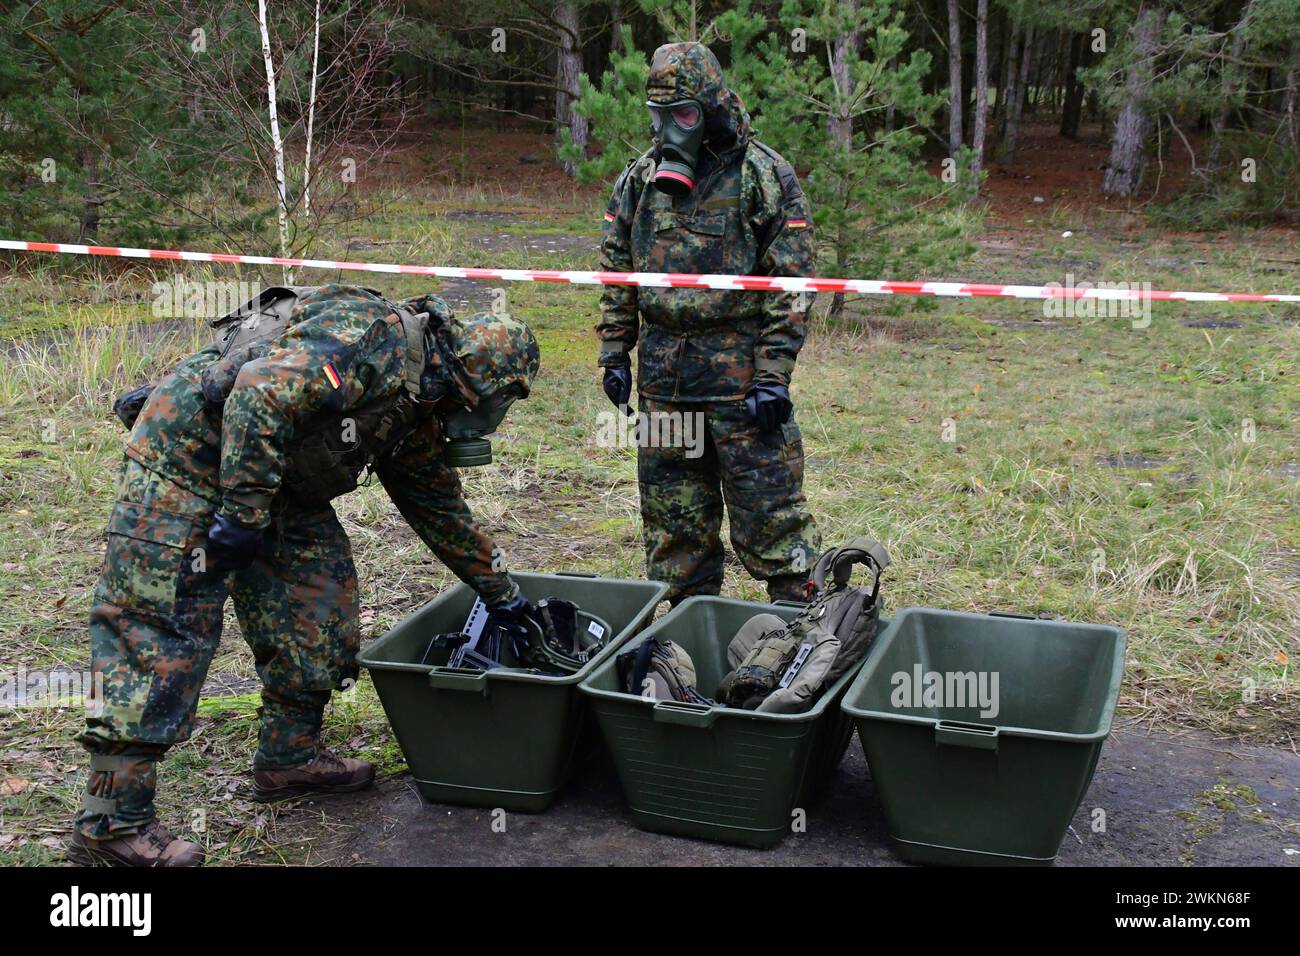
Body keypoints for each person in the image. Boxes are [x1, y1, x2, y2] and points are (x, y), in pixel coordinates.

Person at [69, 283, 539, 866]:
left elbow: (439, 511)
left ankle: (289, 759)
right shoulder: (373, 339)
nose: (486, 419)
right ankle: (111, 824)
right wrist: (241, 519)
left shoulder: (420, 405)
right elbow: (258, 394)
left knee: (319, 609)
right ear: (466, 373)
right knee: (157, 636)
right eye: (491, 403)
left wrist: (504, 596)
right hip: (186, 463)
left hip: (275, 484)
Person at [597, 41, 821, 605]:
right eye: (660, 116)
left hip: (742, 390)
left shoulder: (764, 177)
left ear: (714, 106)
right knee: (677, 535)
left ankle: (807, 644)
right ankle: (683, 644)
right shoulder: (640, 181)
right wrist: (614, 351)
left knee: (774, 524)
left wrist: (773, 374)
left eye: (685, 115)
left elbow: (791, 282)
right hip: (665, 385)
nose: (672, 129)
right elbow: (617, 268)